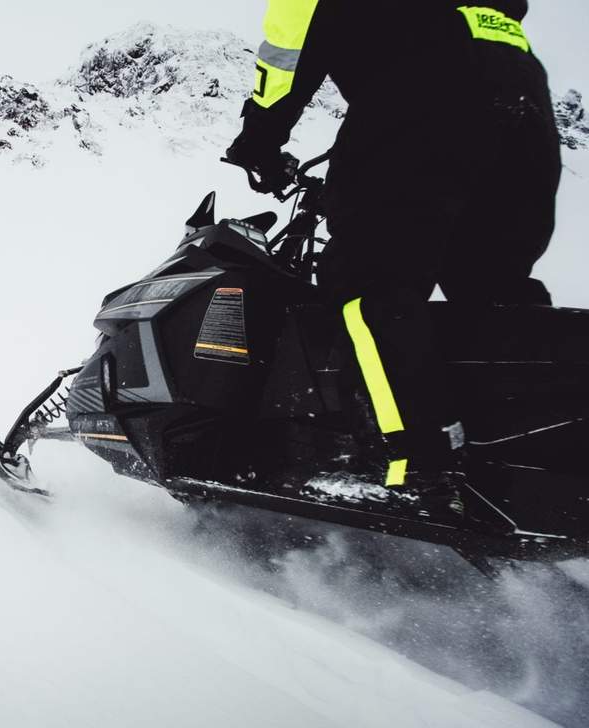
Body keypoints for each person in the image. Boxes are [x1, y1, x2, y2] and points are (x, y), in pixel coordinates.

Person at [223, 1, 561, 517]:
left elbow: (288, 53)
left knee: (368, 285)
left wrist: (260, 141)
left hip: (426, 96)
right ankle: (536, 460)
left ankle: (423, 469)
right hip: (523, 101)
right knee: (495, 290)